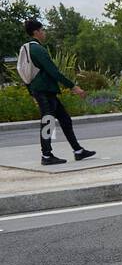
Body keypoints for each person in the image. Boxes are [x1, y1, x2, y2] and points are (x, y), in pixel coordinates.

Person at [20, 18, 95, 166]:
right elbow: (54, 72)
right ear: (36, 32)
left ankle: (78, 151)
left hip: (45, 92)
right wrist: (74, 87)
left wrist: (31, 93)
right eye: (43, 30)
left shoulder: (30, 49)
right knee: (48, 123)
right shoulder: (37, 49)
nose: (44, 33)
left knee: (65, 120)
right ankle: (46, 156)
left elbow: (26, 76)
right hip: (44, 92)